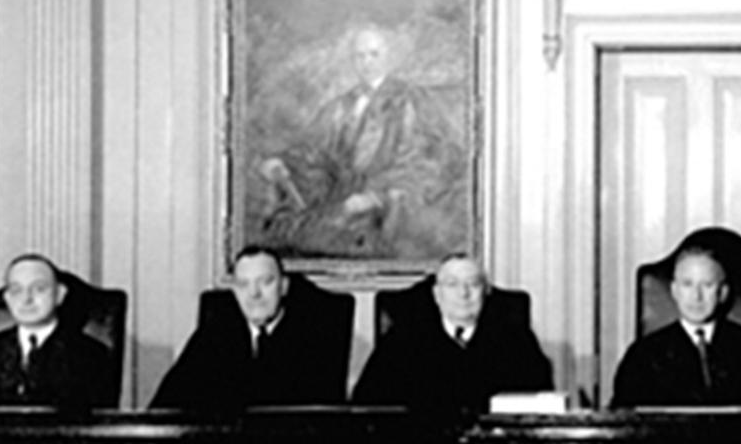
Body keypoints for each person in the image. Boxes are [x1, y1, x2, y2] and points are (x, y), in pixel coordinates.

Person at [255, 24, 461, 261]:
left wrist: (376, 197)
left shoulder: (410, 101)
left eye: (374, 54)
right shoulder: (342, 105)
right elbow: (313, 149)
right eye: (360, 56)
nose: (367, 62)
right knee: (294, 232)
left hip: (386, 203)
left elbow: (428, 159)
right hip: (338, 199)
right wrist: (283, 162)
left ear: (389, 57)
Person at [151, 245, 348, 409]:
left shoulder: (314, 334)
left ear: (284, 286)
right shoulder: (215, 333)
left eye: (265, 282)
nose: (254, 294)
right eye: (243, 284)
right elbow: (166, 405)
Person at [352, 254, 553, 412]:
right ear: (437, 295)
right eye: (452, 284)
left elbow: (542, 404)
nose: (463, 293)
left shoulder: (516, 342)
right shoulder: (401, 342)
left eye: (473, 284)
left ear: (486, 292)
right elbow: (367, 406)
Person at [611, 246, 741, 408]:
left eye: (707, 285)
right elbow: (624, 424)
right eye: (687, 284)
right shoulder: (642, 356)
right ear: (675, 291)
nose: (696, 296)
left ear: (722, 292)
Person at [0, 254, 111, 408]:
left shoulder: (90, 354)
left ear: (60, 295)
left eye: (39, 289)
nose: (26, 299)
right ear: (7, 298)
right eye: (16, 291)